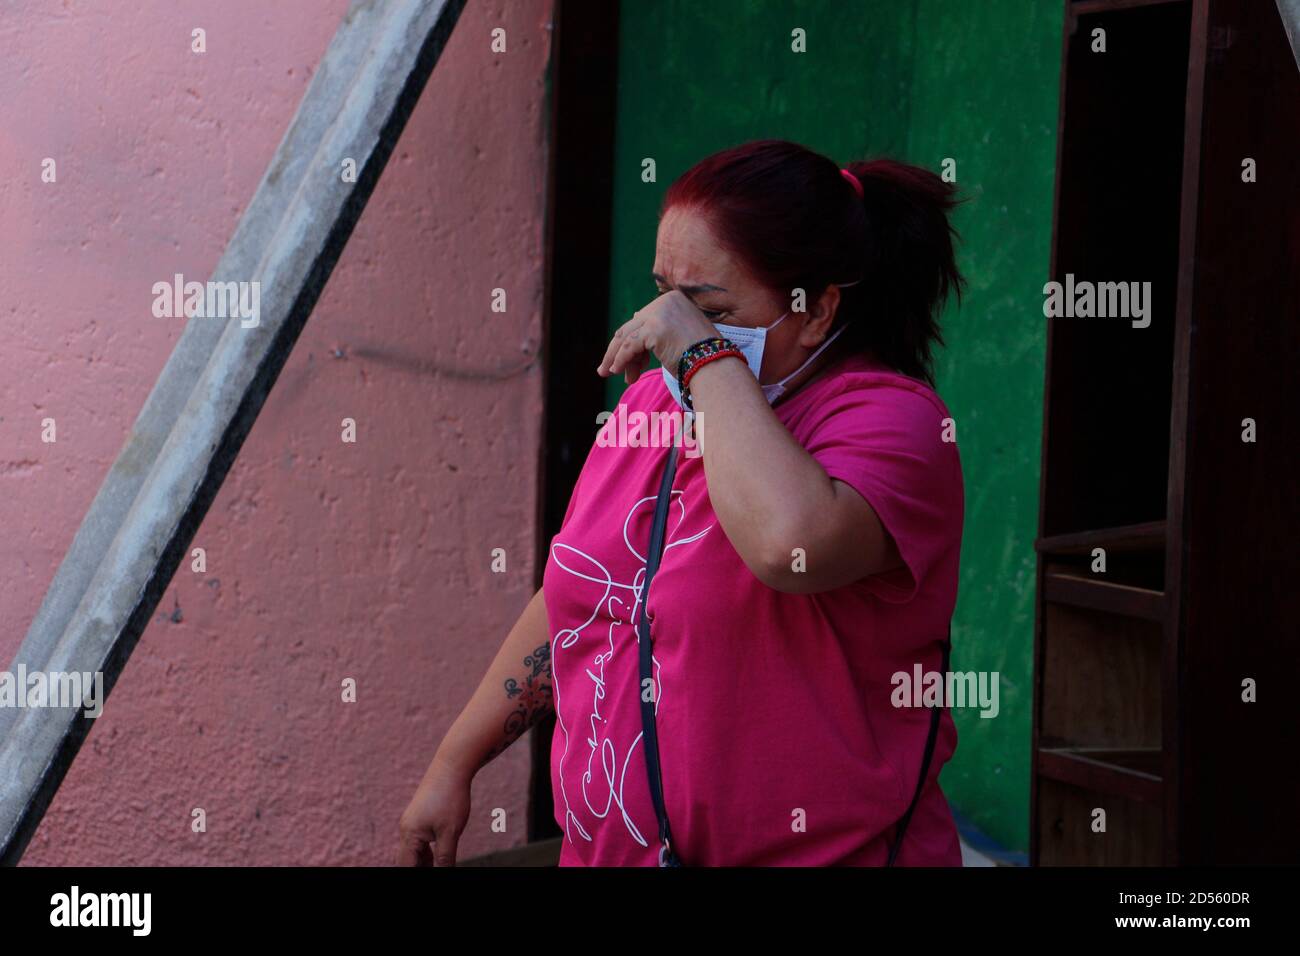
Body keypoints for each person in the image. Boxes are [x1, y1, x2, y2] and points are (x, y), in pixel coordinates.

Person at [398, 139, 966, 866]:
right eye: (666, 294)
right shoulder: (651, 407)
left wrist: (703, 358)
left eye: (706, 308)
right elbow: (582, 594)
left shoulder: (894, 423)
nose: (668, 325)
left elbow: (789, 544)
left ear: (818, 310)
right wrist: (455, 762)